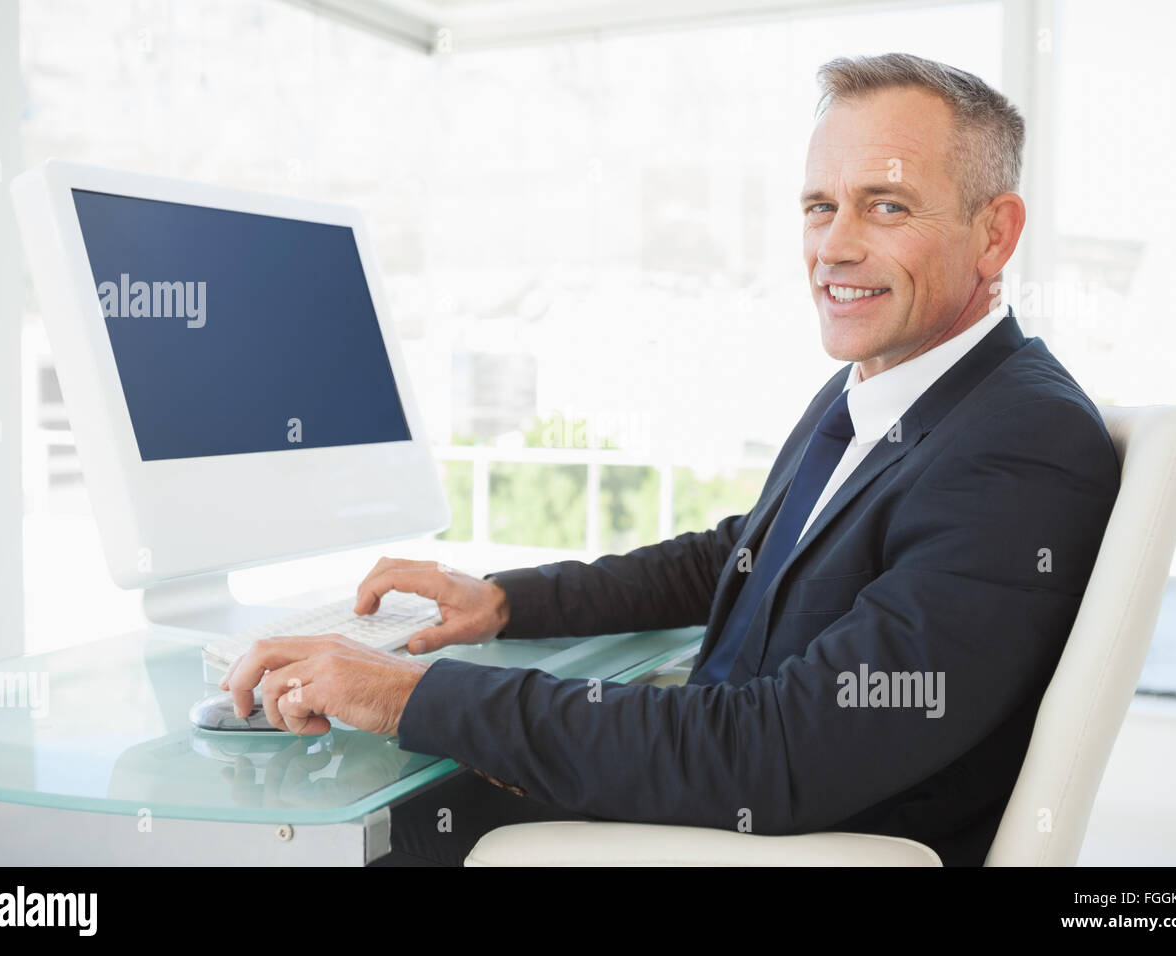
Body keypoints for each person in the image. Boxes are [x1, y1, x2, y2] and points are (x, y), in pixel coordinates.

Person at [222, 52, 1120, 866]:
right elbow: (739, 553)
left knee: (356, 838)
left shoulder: (1023, 446)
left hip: (778, 844)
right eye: (820, 206)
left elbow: (776, 753)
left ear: (996, 234)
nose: (835, 246)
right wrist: (504, 601)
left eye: (885, 206)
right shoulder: (889, 382)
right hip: (727, 809)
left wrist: (415, 693)